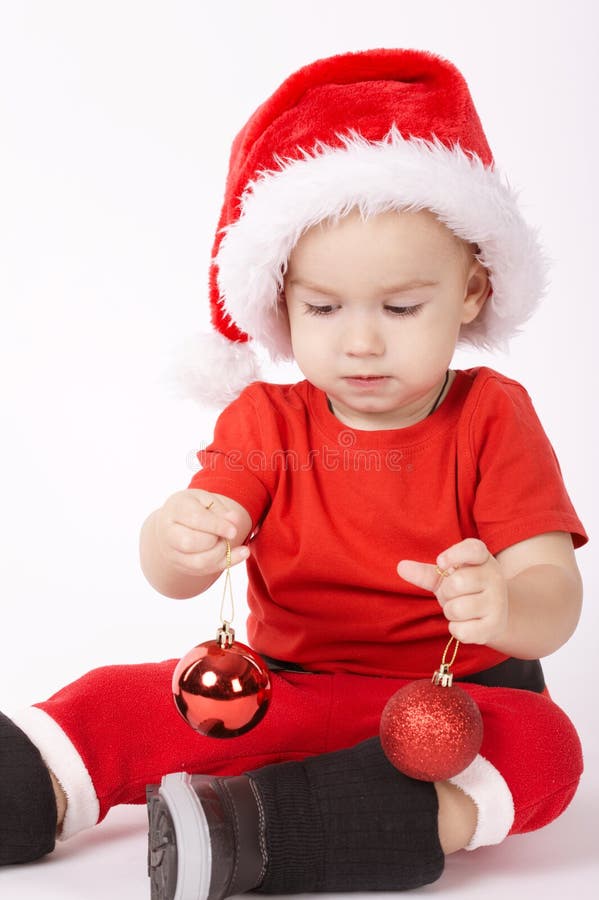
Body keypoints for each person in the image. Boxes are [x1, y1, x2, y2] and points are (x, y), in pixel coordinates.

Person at [0, 47, 588, 900]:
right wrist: (178, 537)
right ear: (279, 302)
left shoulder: (492, 416)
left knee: (543, 751)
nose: (359, 342)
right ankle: (45, 774)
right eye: (321, 308)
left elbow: (553, 596)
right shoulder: (267, 423)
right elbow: (173, 569)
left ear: (471, 291)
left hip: (449, 701)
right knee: (136, 697)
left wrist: (505, 601)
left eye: (399, 307)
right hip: (283, 688)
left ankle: (266, 829)